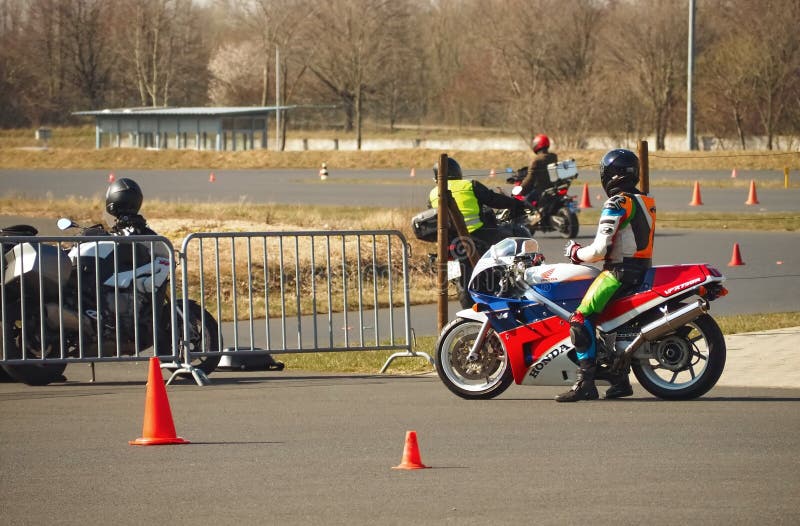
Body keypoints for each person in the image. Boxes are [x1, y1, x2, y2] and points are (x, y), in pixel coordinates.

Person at [555, 149, 656, 402]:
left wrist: (576, 253)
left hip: (619, 272)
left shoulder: (617, 203)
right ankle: (619, 380)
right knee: (609, 323)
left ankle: (585, 383)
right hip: (642, 270)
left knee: (580, 318)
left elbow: (599, 250)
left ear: (612, 175)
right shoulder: (646, 200)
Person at [429, 157, 527, 306]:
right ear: (458, 172)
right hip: (478, 235)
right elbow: (493, 199)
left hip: (449, 242)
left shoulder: (432, 193)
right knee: (514, 240)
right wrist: (516, 203)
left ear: (436, 177)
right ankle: (517, 281)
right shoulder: (469, 185)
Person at [518, 133, 558, 203]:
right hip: (552, 187)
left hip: (541, 190)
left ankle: (537, 214)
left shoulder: (536, 161)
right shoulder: (553, 157)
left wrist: (521, 189)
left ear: (537, 144)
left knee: (525, 200)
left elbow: (530, 179)